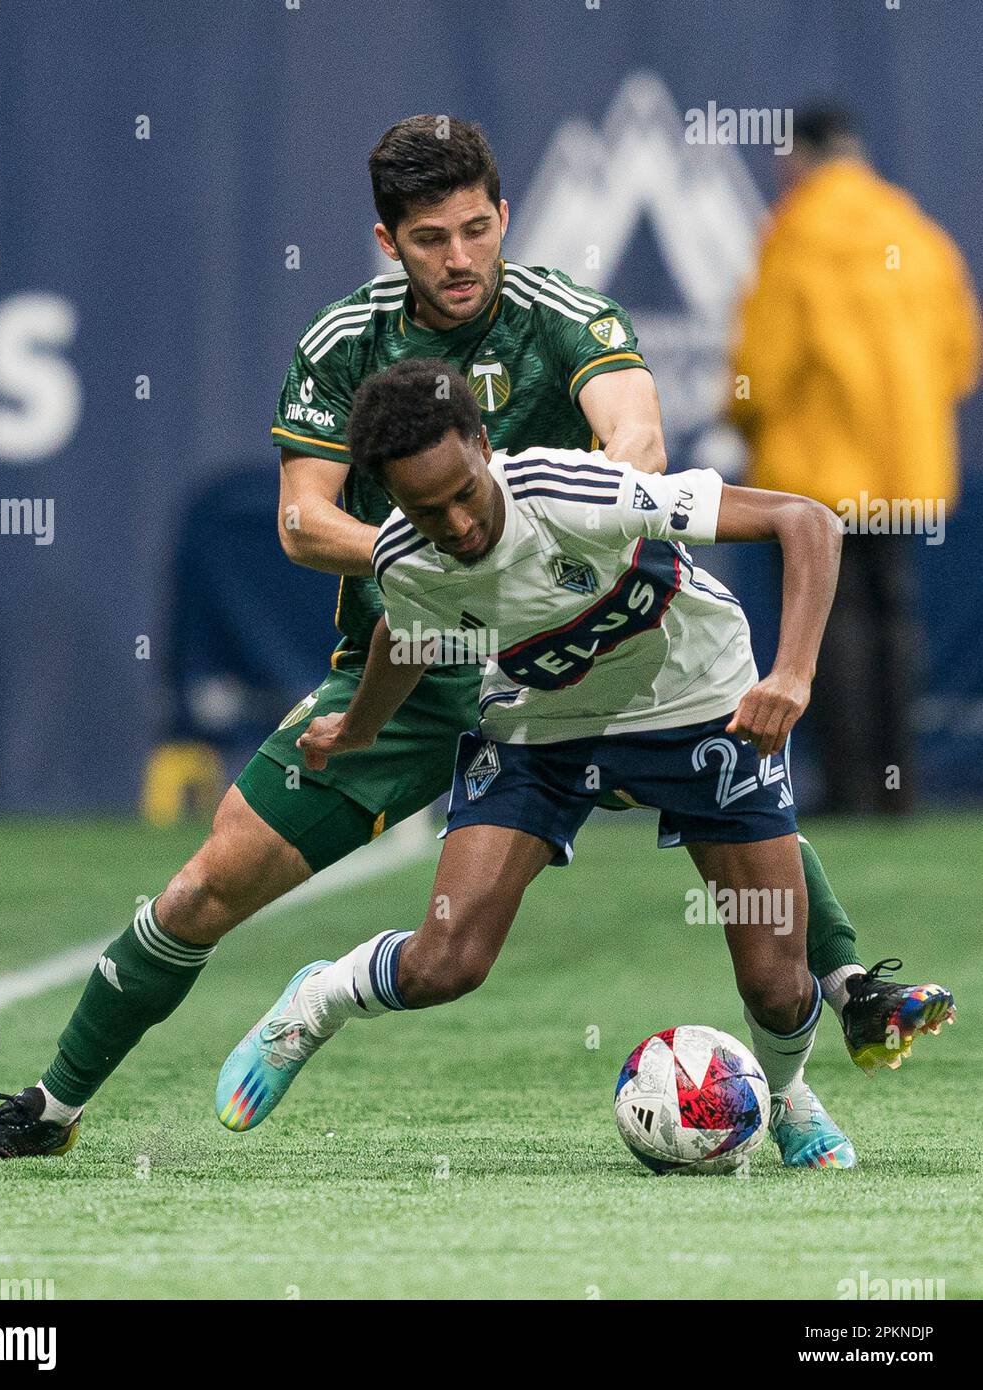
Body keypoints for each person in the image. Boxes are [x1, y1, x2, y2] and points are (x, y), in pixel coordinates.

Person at [0, 117, 951, 1167]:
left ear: (504, 216)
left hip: (592, 652)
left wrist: (569, 513)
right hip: (418, 661)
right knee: (209, 887)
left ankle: (836, 998)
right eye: (430, 238)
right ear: (388, 240)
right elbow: (299, 521)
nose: (458, 258)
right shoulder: (348, 348)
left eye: (475, 230)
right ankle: (48, 1109)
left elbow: (636, 439)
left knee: (721, 767)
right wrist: (449, 556)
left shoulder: (564, 318)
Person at [216, 359, 948, 1168]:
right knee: (445, 964)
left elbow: (806, 520)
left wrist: (794, 672)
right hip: (541, 730)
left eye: (465, 492)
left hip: (697, 703)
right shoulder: (402, 554)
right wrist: (357, 727)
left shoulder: (577, 492)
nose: (457, 524)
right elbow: (405, 632)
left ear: (484, 445)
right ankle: (316, 1002)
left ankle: (784, 1099)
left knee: (777, 983)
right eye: (428, 510)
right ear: (393, 500)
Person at [729, 105, 982, 813]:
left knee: (825, 619)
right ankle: (900, 787)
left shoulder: (797, 231)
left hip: (818, 472)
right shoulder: (914, 231)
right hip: (904, 471)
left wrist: (744, 417)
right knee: (893, 617)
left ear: (800, 157)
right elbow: (961, 359)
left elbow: (764, 366)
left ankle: (844, 789)